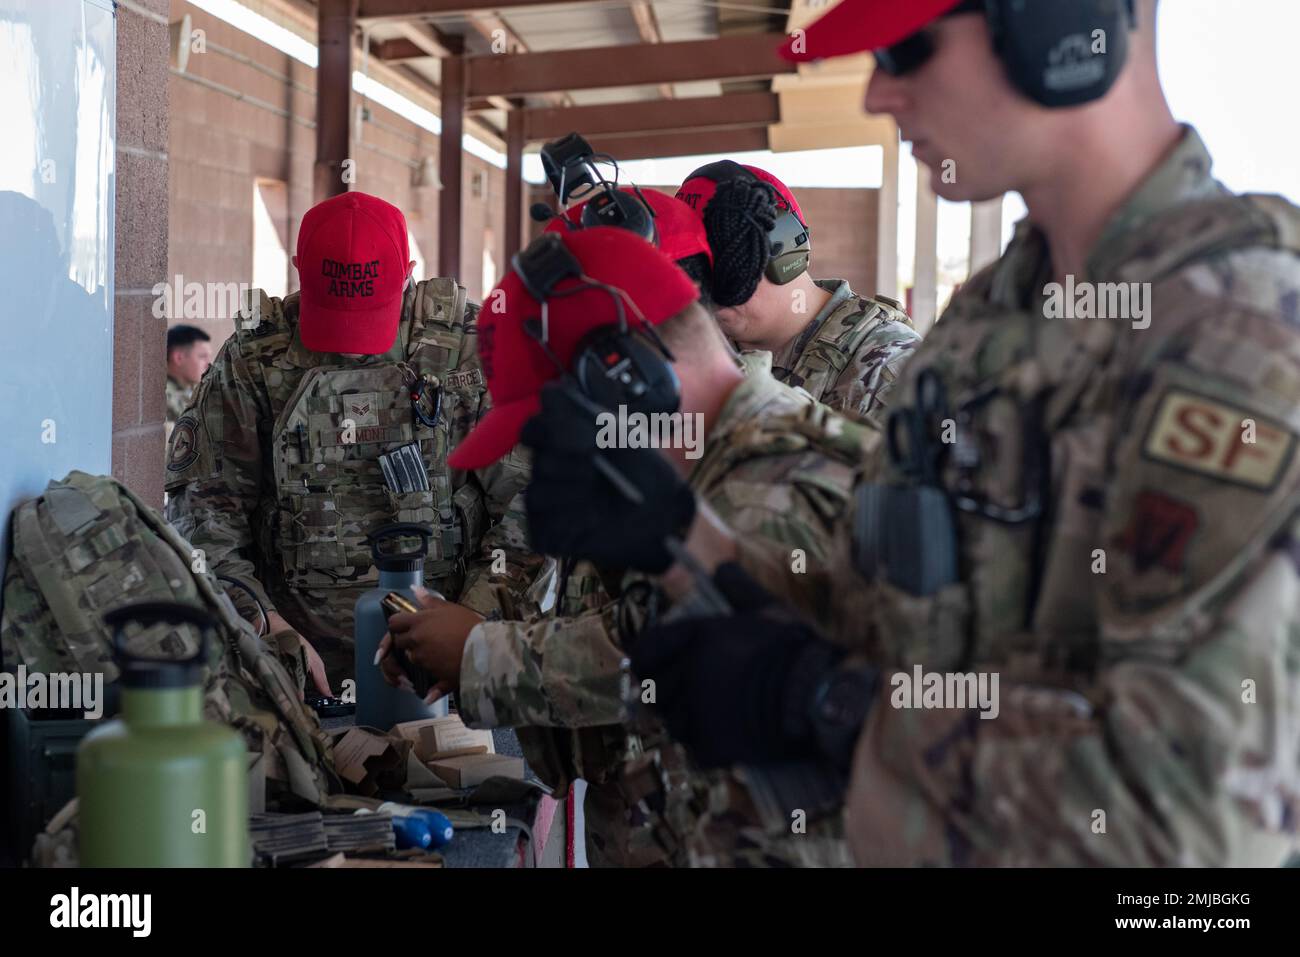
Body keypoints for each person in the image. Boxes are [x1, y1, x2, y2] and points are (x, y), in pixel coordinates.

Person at [519, 0, 1300, 867]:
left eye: (905, 46)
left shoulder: (1241, 338)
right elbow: (914, 621)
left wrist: (834, 709)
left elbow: (1192, 843)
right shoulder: (991, 324)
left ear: (1054, 26)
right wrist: (690, 544)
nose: (879, 94)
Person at [377, 226, 866, 866]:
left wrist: (479, 654)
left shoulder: (768, 494)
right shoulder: (709, 478)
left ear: (625, 379)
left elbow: (660, 664)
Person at [164, 192, 539, 696]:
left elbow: (531, 505)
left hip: (449, 664)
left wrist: (471, 625)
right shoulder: (255, 357)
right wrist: (259, 619)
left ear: (410, 269)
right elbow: (206, 507)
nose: (349, 343)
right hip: (293, 657)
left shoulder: (470, 347)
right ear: (297, 269)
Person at [675, 161, 920, 426]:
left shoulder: (887, 364)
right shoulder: (699, 346)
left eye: (724, 259)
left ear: (785, 251)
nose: (705, 288)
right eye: (691, 266)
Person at [164, 324, 212, 441]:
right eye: (202, 356)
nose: (209, 363)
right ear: (178, 358)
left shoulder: (197, 389)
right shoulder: (163, 398)